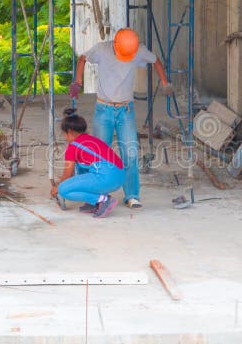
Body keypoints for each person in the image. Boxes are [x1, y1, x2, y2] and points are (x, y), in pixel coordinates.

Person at [69, 28, 172, 209]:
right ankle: (98, 196)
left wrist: (164, 82)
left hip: (125, 110)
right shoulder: (102, 49)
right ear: (115, 44)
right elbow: (82, 58)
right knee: (98, 154)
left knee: (130, 153)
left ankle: (132, 195)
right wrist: (78, 81)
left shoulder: (137, 49)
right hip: (103, 109)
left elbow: (156, 61)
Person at [51, 109, 125, 218]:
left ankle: (103, 200)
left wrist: (57, 187)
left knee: (64, 189)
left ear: (69, 131)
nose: (64, 137)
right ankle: (93, 203)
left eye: (64, 133)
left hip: (105, 177)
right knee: (82, 169)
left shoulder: (73, 147)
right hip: (119, 177)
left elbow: (68, 174)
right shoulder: (92, 140)